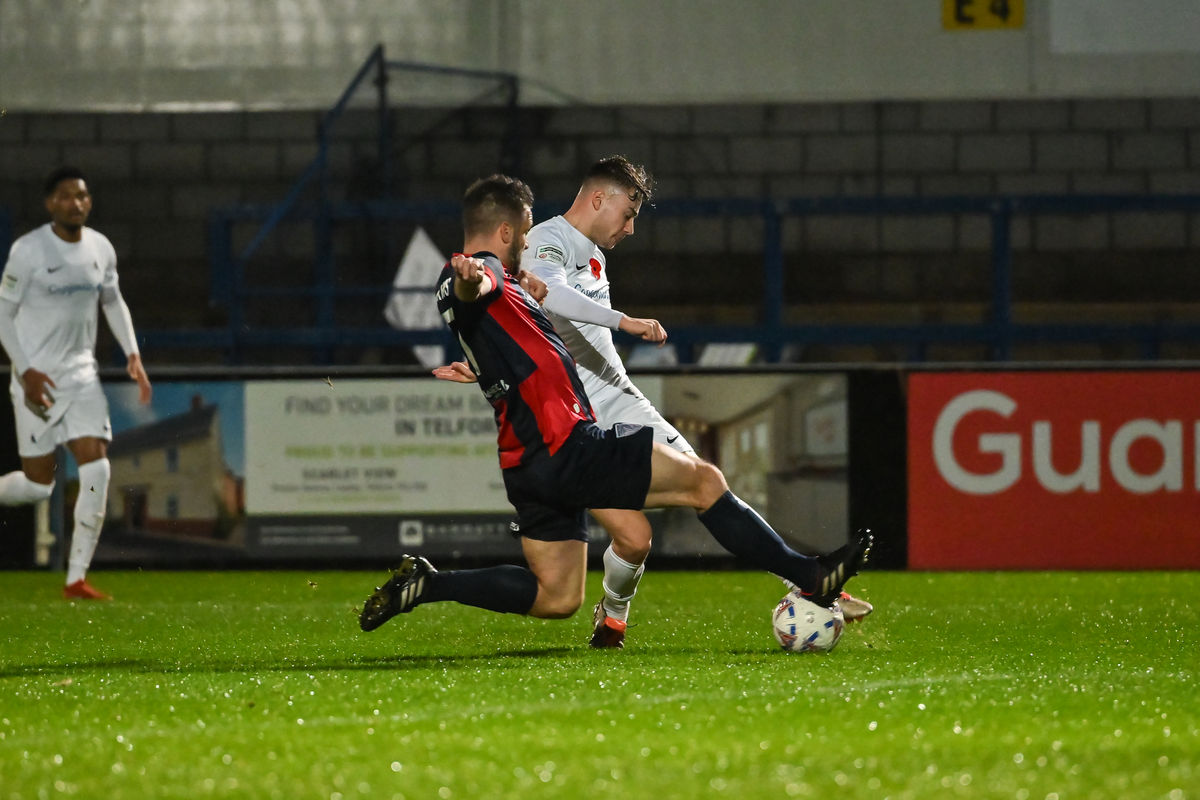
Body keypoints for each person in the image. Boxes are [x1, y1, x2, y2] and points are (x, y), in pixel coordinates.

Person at [359, 174, 870, 637]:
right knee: (704, 482)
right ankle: (811, 574)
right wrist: (482, 280)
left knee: (557, 597)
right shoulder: (481, 273)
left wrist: (491, 342)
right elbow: (478, 283)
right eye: (527, 230)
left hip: (527, 462)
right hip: (567, 442)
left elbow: (504, 330)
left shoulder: (495, 289)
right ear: (509, 232)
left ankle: (429, 584)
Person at [0, 166, 153, 600]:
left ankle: (76, 578)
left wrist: (133, 354)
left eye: (82, 196)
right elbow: (2, 314)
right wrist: (25, 370)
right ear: (51, 203)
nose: (76, 203)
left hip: (81, 374)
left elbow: (112, 300)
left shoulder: (100, 248)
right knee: (37, 487)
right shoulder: (28, 251)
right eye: (66, 196)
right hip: (37, 376)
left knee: (96, 463)